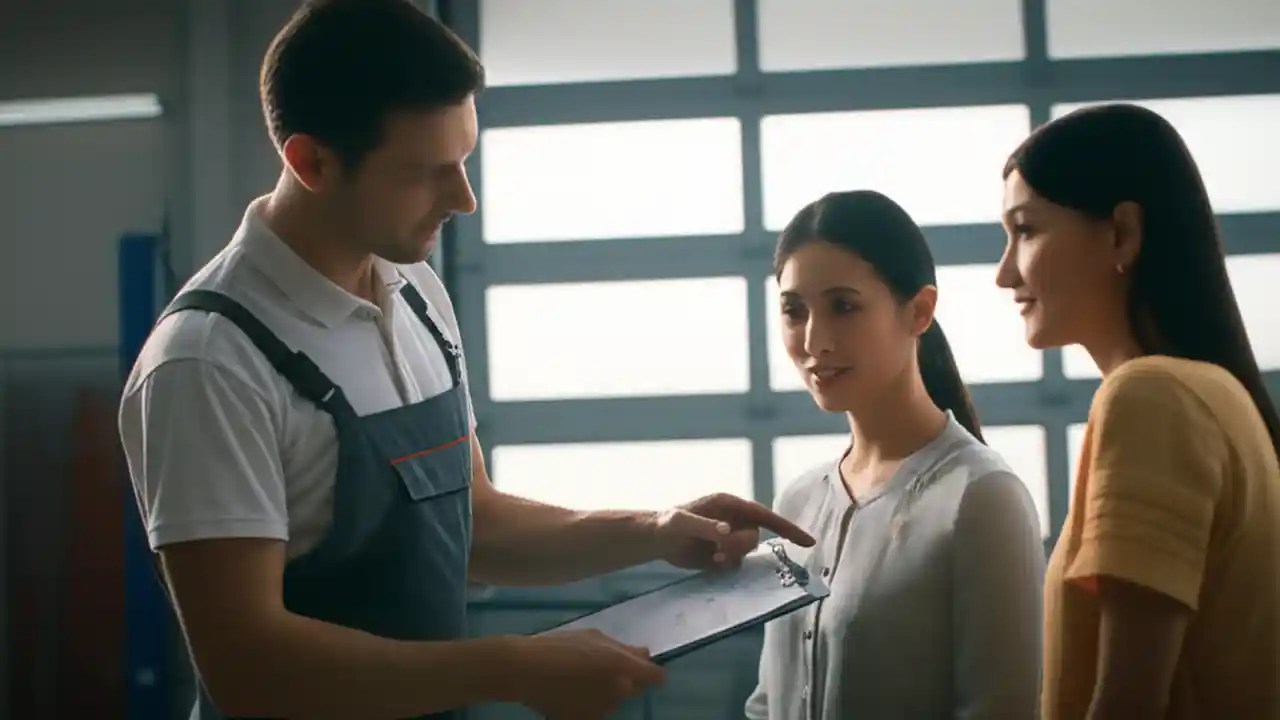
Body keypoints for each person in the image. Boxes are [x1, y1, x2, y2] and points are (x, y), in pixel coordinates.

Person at [116, 2, 814, 719]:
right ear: (311, 161)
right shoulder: (207, 364)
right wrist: (515, 665)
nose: (466, 199)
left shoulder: (416, 290)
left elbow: (470, 523)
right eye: (427, 173)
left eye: (465, 160)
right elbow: (247, 668)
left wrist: (655, 531)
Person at [997, 103, 1280, 719]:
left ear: (1122, 232)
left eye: (1025, 231)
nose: (1003, 274)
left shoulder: (1149, 397)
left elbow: (1126, 701)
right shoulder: (1223, 399)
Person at [744, 190, 1045, 719]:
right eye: (794, 311)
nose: (815, 340)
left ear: (920, 311)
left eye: (844, 306)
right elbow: (768, 705)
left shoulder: (981, 497)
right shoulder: (795, 504)